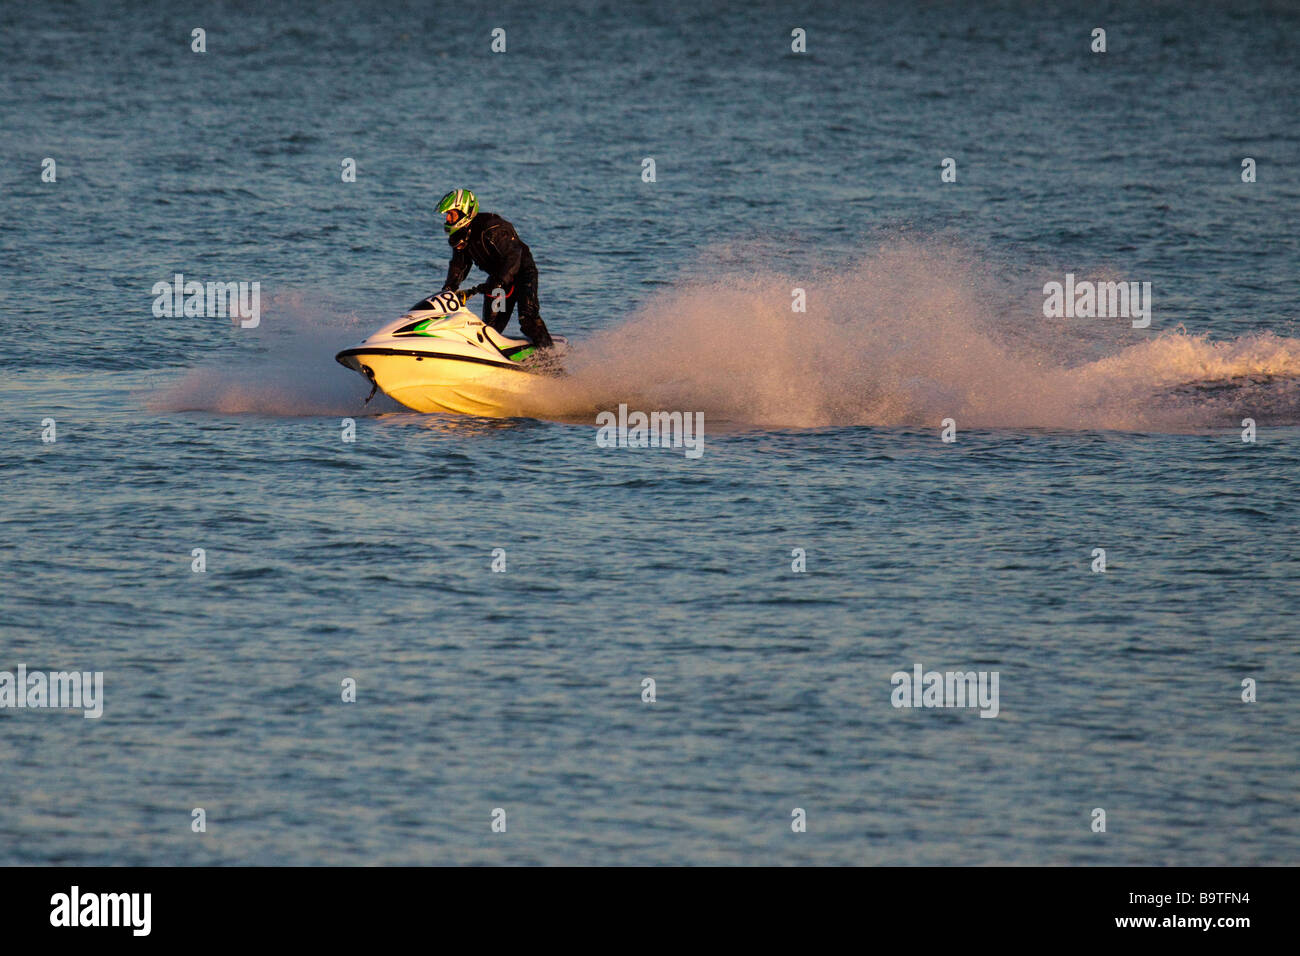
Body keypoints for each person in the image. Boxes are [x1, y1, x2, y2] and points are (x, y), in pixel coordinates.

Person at [437, 188, 554, 348]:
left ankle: (551, 358)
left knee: (527, 320)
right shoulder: (461, 236)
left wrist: (499, 282)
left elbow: (514, 256)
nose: (448, 218)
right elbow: (459, 265)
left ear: (465, 212)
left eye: (452, 214)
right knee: (491, 330)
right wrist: (448, 290)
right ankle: (490, 358)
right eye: (447, 215)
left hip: (522, 274)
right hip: (498, 282)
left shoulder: (491, 228)